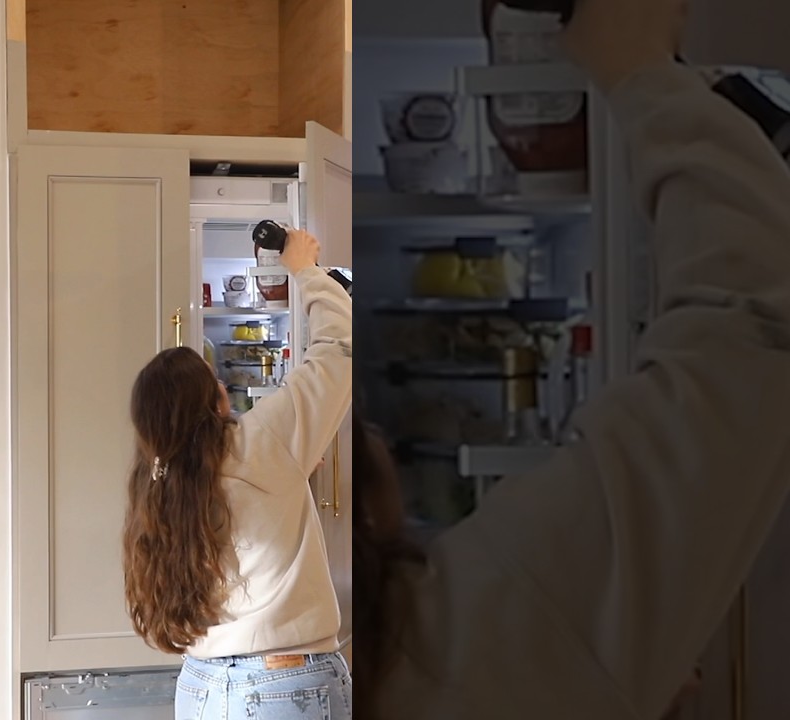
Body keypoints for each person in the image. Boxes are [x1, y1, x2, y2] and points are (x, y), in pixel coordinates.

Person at [353, 0, 790, 717]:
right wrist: (640, 66)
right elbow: (751, 318)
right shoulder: (475, 627)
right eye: (364, 436)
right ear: (361, 512)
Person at [121, 227, 353, 718]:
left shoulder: (154, 482)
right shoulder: (261, 441)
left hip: (200, 686)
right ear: (216, 400)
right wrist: (306, 270)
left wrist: (291, 479)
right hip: (285, 685)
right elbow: (339, 349)